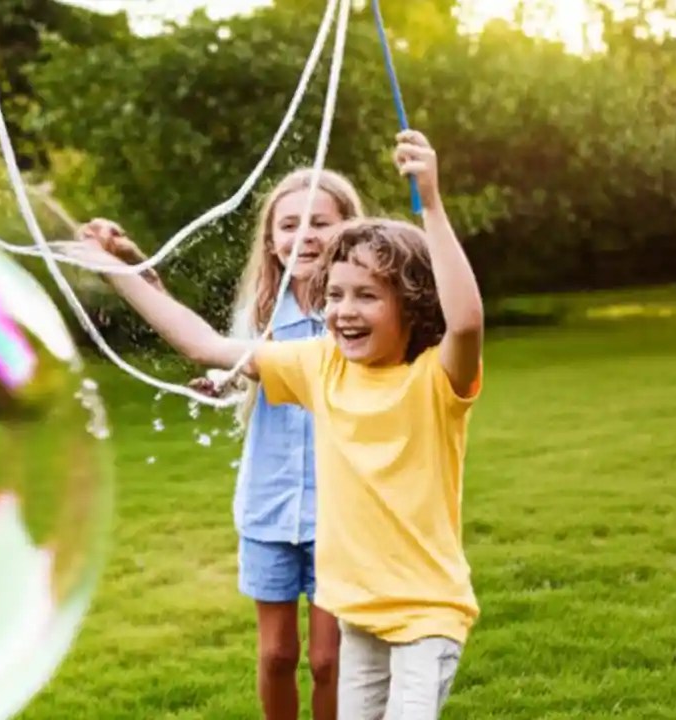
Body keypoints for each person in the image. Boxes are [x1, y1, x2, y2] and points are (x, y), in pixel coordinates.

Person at [65, 130, 483, 719]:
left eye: (367, 296)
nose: (343, 310)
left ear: (412, 304)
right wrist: (114, 271)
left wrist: (432, 202)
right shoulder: (320, 364)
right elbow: (205, 343)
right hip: (360, 611)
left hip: (426, 614)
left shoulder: (437, 381)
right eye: (334, 295)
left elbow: (464, 322)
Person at [83, 168, 364, 720]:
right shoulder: (264, 312)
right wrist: (136, 270)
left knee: (330, 660)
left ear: (351, 232)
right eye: (289, 224)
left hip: (343, 513)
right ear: (270, 240)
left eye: (320, 223)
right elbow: (213, 350)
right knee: (278, 653)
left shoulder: (357, 313)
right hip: (269, 506)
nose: (303, 235)